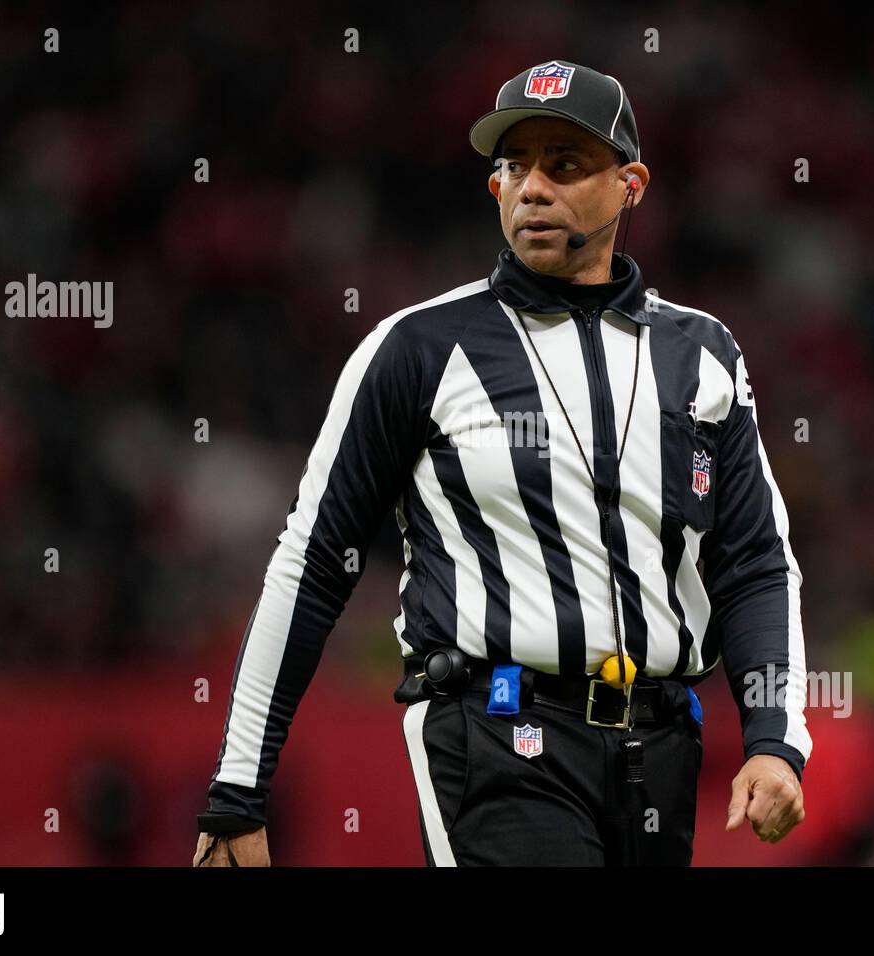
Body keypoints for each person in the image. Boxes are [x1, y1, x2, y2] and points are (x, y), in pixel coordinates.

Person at [193, 59, 810, 867]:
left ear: (632, 184)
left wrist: (774, 739)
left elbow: (755, 562)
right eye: (514, 166)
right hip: (493, 735)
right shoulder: (416, 348)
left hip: (658, 752)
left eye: (564, 165)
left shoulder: (704, 354)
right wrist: (240, 784)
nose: (532, 188)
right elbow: (312, 562)